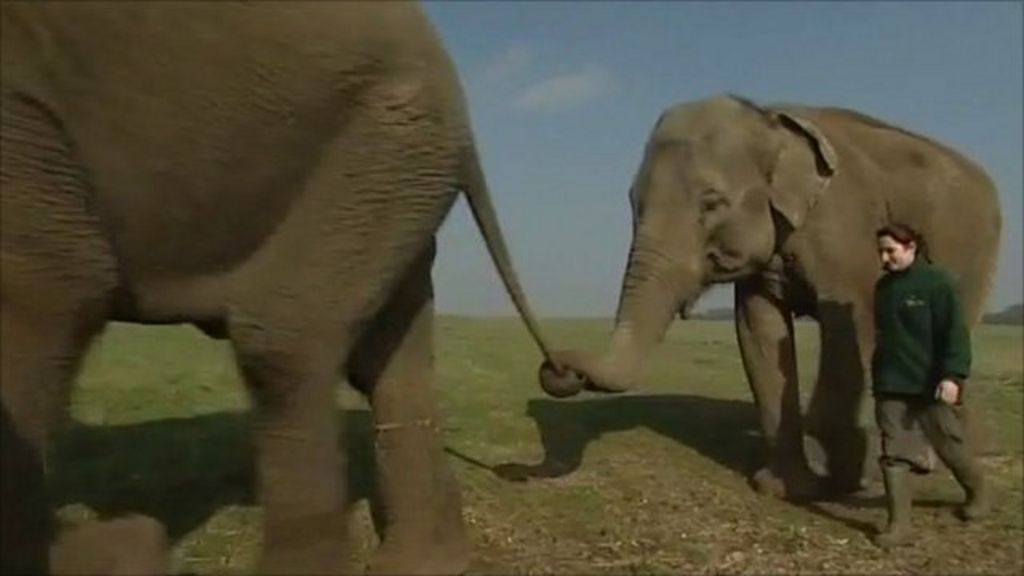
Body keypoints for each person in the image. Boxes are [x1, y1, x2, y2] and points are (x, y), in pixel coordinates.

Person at [870, 223, 989, 548]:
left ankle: (978, 496)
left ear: (911, 248)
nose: (884, 257)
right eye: (881, 251)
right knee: (893, 452)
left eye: (891, 250)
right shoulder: (883, 288)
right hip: (891, 384)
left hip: (931, 384)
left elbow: (954, 334)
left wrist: (952, 376)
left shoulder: (937, 284)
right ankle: (899, 525)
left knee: (951, 446)